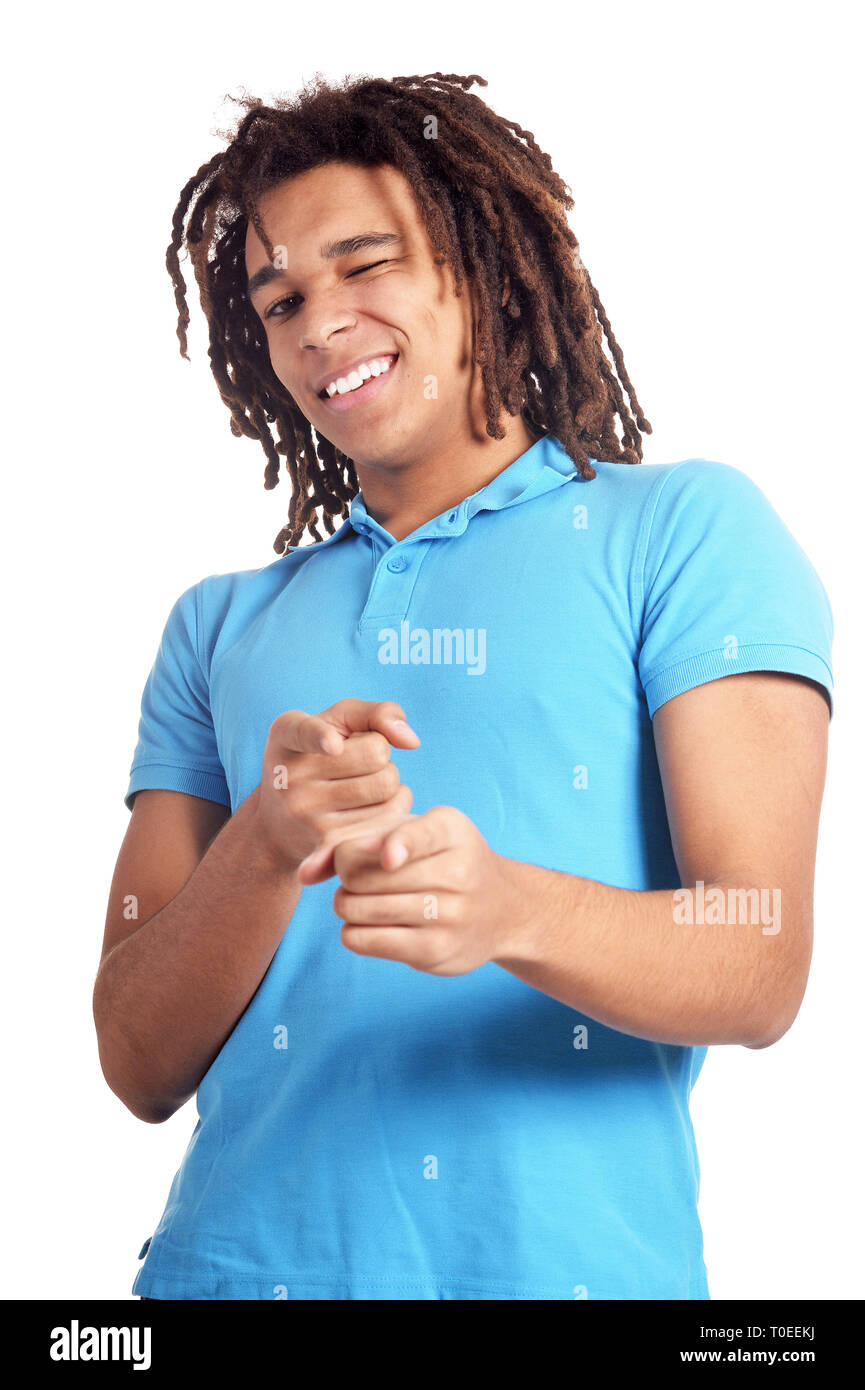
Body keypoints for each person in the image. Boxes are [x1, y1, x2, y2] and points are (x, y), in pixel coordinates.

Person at [93, 72, 833, 1301]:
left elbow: (758, 956)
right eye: (279, 299)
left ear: (483, 265)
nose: (320, 323)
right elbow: (134, 1059)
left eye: (363, 262)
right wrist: (266, 842)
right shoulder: (218, 624)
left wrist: (510, 908)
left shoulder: (687, 533)